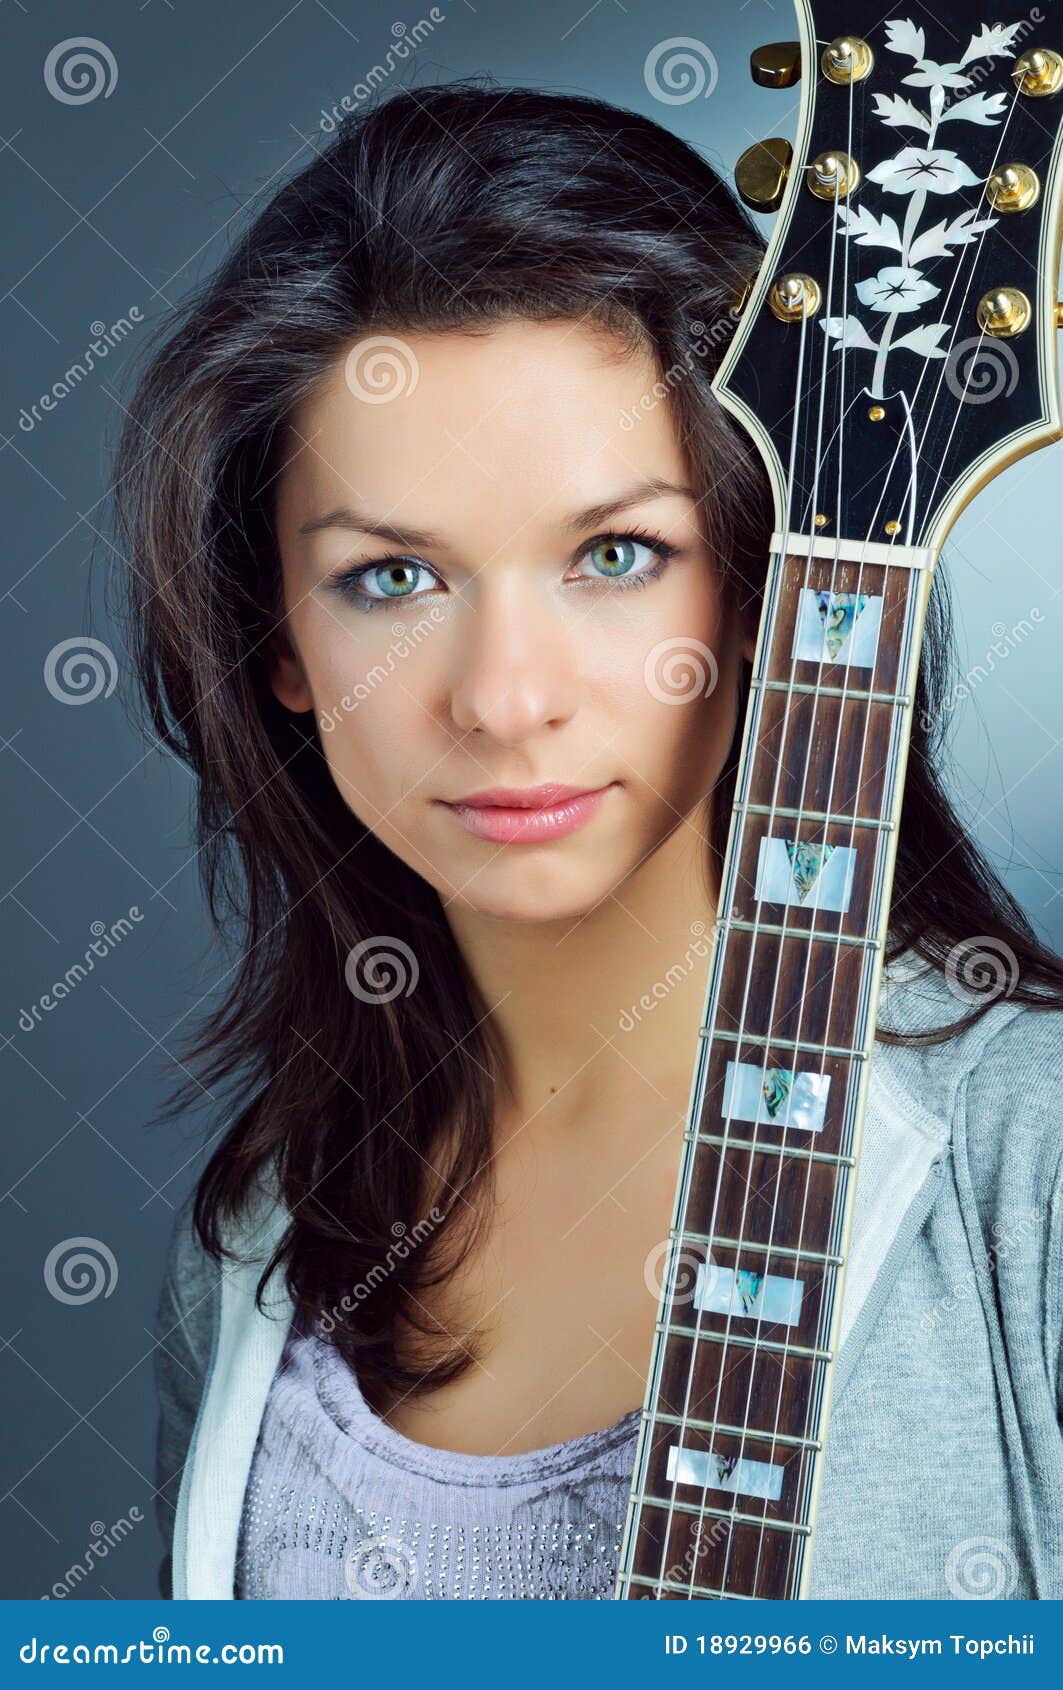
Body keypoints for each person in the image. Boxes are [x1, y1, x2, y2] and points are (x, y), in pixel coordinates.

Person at [110, 80, 1063, 1602]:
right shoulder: (260, 1243)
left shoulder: (1039, 1157)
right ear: (275, 640)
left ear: (764, 586)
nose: (503, 698)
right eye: (389, 578)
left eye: (617, 555)